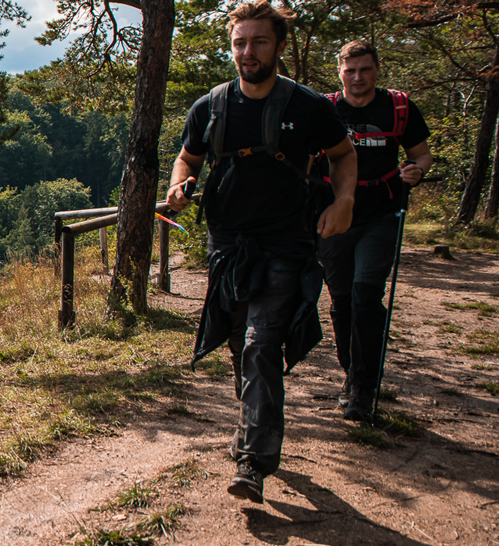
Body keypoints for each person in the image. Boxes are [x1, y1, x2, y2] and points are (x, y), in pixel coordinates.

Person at [166, 1, 357, 505]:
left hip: (286, 242)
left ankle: (253, 461)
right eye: (239, 43)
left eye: (259, 42)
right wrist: (179, 185)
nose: (247, 52)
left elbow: (343, 155)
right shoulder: (210, 106)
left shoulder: (308, 106)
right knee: (238, 342)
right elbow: (187, 158)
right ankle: (253, 422)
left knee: (261, 342)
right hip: (228, 244)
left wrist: (344, 201)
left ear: (279, 45)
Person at [320, 41, 433, 421]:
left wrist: (417, 170)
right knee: (341, 300)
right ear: (339, 71)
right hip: (335, 215)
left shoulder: (398, 107)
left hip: (382, 213)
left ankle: (364, 388)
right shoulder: (326, 109)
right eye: (350, 70)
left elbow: (421, 153)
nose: (357, 77)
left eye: (364, 69)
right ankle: (351, 372)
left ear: (377, 70)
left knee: (366, 294)